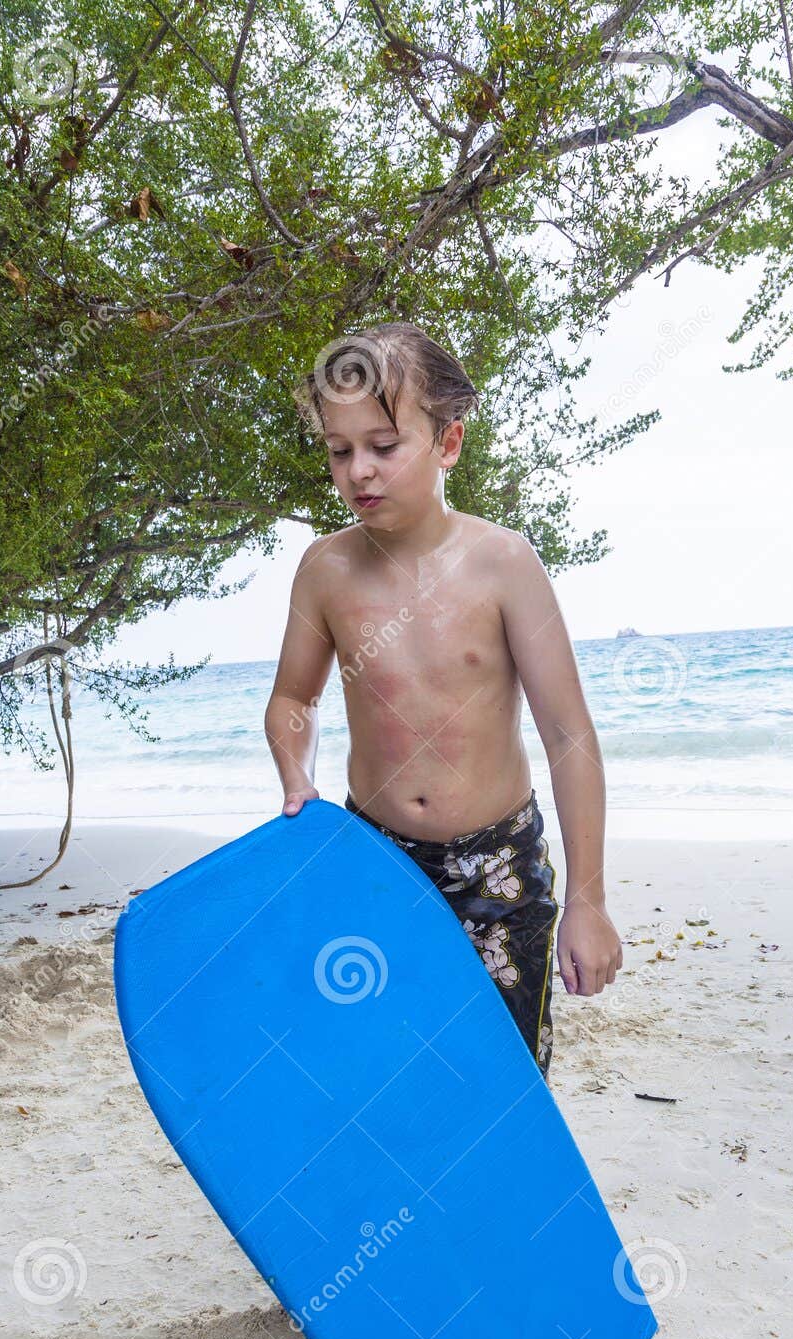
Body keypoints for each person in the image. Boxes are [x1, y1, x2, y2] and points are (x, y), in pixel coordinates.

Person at [264, 322, 622, 1084]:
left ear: (447, 443)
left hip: (501, 871)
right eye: (339, 449)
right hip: (377, 863)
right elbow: (295, 697)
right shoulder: (324, 571)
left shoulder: (503, 563)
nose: (359, 470)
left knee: (500, 1081)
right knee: (382, 1073)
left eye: (384, 445)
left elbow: (568, 734)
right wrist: (298, 777)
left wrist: (586, 902)